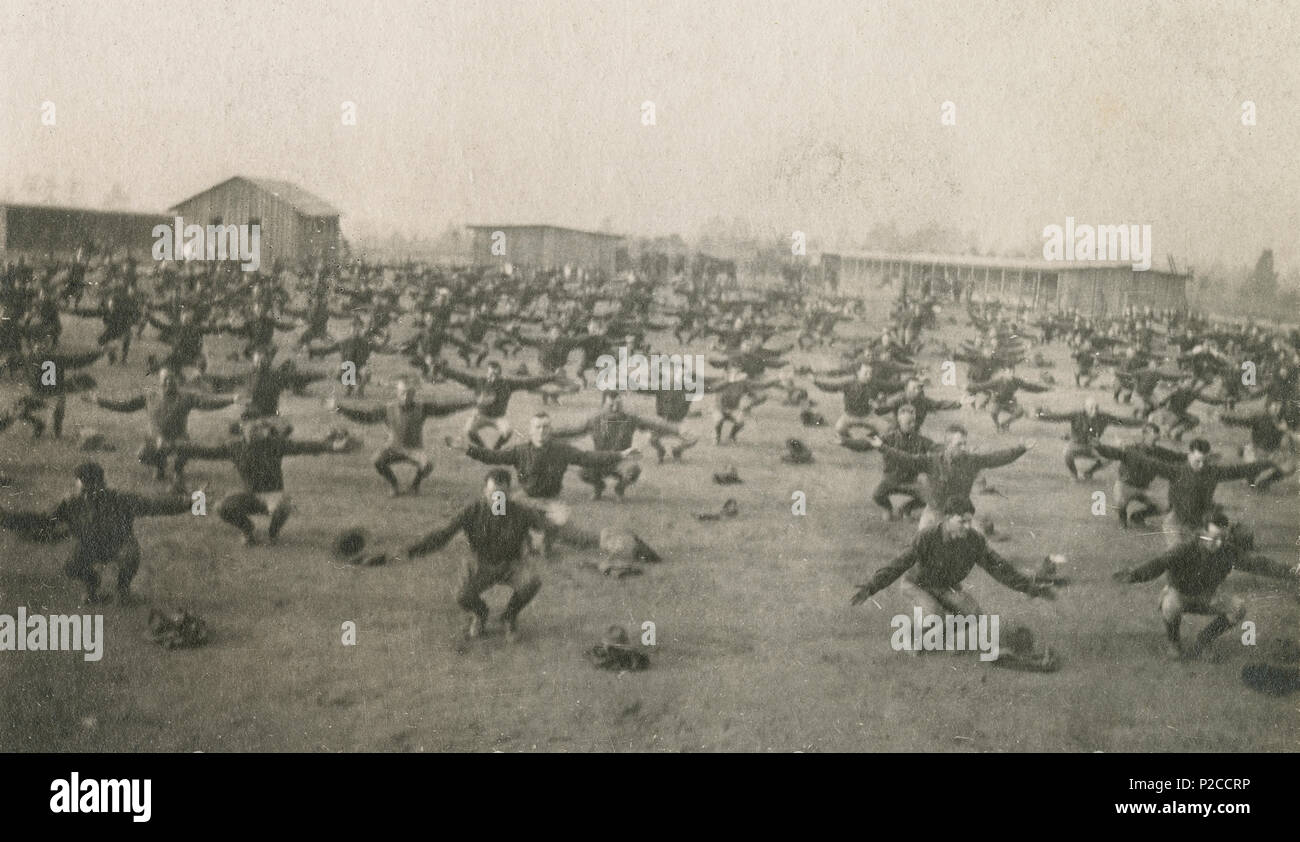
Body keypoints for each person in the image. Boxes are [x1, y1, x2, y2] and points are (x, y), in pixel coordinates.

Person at [850, 496, 1056, 661]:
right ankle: (911, 637)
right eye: (962, 521)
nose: (967, 526)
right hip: (917, 585)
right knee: (934, 615)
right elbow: (899, 563)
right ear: (947, 518)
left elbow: (1000, 568)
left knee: (974, 616)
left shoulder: (974, 541)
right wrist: (871, 587)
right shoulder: (927, 537)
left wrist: (1029, 587)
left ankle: (940, 636)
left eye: (969, 521)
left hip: (946, 586)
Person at [1113, 511, 1300, 659]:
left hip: (1207, 597)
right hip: (1180, 595)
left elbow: (1258, 563)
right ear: (1202, 534)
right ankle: (1174, 642)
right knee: (1170, 605)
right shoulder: (1184, 549)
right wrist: (1134, 574)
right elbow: (1159, 563)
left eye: (1223, 538)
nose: (1218, 544)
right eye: (1214, 538)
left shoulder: (1227, 551)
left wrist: (1292, 571)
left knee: (1238, 608)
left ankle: (1204, 640)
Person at [0, 462, 190, 603]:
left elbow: (157, 506)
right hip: (89, 547)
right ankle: (92, 586)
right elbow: (41, 519)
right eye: (82, 488)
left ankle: (123, 590)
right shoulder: (70, 503)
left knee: (129, 555)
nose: (85, 493)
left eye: (90, 488)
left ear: (101, 484)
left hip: (120, 545)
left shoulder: (120, 499)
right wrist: (6, 518)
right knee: (71, 565)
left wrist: (193, 501)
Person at [405, 469, 553, 642]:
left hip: (511, 564)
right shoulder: (472, 510)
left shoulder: (522, 511)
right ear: (484, 491)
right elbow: (443, 535)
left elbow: (546, 529)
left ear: (510, 493)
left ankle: (509, 616)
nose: (497, 499)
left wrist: (546, 532)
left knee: (532, 581)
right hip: (481, 563)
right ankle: (480, 614)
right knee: (462, 596)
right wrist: (411, 551)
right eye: (492, 493)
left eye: (502, 494)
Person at [175, 419, 353, 545]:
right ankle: (248, 531)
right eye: (250, 429)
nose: (255, 432)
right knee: (221, 507)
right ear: (244, 433)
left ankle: (273, 534)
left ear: (264, 432)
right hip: (250, 496)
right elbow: (207, 452)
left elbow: (303, 446)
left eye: (258, 429)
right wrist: (176, 446)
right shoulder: (234, 448)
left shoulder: (275, 444)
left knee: (283, 505)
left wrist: (331, 446)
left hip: (273, 496)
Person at [864, 423, 1033, 531]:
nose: (964, 447)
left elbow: (996, 458)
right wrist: (883, 447)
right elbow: (906, 458)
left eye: (965, 443)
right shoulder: (932, 461)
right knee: (923, 546)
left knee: (970, 548)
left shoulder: (972, 461)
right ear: (947, 445)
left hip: (962, 514)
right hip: (935, 512)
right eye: (959, 444)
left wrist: (1019, 449)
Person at [88, 367, 236, 487]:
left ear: (177, 382)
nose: (168, 383)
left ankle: (178, 470)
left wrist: (232, 400)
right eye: (165, 380)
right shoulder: (150, 397)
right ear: (159, 381)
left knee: (186, 447)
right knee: (142, 455)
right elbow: (125, 406)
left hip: (178, 439)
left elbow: (208, 404)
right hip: (156, 440)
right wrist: (100, 401)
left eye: (172, 380)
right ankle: (160, 467)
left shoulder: (186, 397)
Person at [1109, 437, 1268, 549]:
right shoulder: (1176, 471)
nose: (1201, 465)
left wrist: (1268, 463)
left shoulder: (1213, 472)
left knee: (1227, 544)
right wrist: (1127, 450)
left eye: (1205, 461)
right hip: (1177, 521)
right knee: (1180, 554)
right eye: (1197, 461)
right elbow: (1149, 463)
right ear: (1189, 455)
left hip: (1201, 519)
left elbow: (1240, 470)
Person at [330, 378, 473, 496]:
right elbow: (365, 417)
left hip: (414, 449)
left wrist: (471, 403)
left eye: (410, 393)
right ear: (398, 393)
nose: (406, 397)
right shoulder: (387, 409)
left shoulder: (422, 408)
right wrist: (340, 408)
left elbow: (446, 409)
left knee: (427, 465)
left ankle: (414, 486)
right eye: (403, 393)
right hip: (393, 448)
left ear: (414, 393)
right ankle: (394, 486)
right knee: (376, 460)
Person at [553, 390, 694, 499]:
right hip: (600, 459)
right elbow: (572, 430)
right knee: (583, 472)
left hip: (621, 460)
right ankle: (598, 487)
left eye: (618, 405)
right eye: (611, 405)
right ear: (603, 406)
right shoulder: (594, 420)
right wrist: (551, 433)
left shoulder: (630, 418)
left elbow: (654, 424)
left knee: (633, 470)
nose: (615, 409)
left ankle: (620, 488)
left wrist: (678, 430)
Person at [1093, 423, 1183, 528]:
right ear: (1145, 434)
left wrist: (1192, 456)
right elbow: (1113, 452)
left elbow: (1177, 456)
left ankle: (1137, 517)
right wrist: (1099, 447)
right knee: (1120, 503)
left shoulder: (1159, 451)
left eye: (1157, 433)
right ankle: (1122, 520)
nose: (1157, 436)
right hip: (1125, 486)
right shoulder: (1131, 449)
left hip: (1144, 488)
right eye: (1154, 433)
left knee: (1165, 506)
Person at [1035, 396, 1141, 481]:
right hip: (1076, 445)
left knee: (1109, 457)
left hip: (1093, 447)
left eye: (1096, 407)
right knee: (1067, 454)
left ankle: (1089, 472)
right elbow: (1058, 417)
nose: (1094, 410)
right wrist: (1041, 416)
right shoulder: (1076, 415)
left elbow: (1122, 421)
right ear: (1085, 408)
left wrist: (1142, 423)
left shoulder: (1104, 417)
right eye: (1091, 407)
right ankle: (1074, 474)